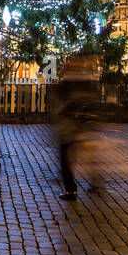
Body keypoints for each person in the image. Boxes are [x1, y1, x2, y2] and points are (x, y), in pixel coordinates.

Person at [51, 56, 102, 201]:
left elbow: (60, 104)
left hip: (69, 126)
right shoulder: (88, 82)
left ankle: (71, 190)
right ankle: (96, 181)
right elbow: (94, 101)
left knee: (66, 158)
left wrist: (58, 120)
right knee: (89, 155)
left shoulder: (65, 83)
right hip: (84, 125)